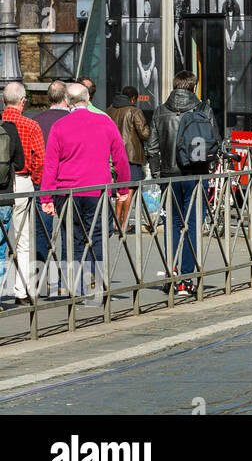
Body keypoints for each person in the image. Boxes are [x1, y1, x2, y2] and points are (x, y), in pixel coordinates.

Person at [40, 83, 129, 300]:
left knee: (72, 239)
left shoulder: (59, 127)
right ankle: (95, 285)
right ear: (88, 99)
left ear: (68, 102)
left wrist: (46, 197)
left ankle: (75, 287)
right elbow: (120, 158)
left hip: (67, 192)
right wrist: (123, 188)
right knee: (97, 238)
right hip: (96, 191)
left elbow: (50, 165)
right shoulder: (104, 123)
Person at [146, 70, 218, 295]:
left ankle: (172, 270)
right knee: (193, 225)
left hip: (169, 176)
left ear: (175, 87)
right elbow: (214, 142)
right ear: (193, 88)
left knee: (172, 224)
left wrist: (158, 175)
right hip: (196, 176)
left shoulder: (160, 111)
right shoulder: (203, 109)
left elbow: (152, 148)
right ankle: (188, 279)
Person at [0, 83, 38, 304]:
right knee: (23, 239)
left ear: (4, 101)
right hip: (22, 182)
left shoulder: (3, 123)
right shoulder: (30, 125)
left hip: (2, 186)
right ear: (22, 101)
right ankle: (21, 291)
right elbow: (38, 158)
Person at [107, 86, 150, 231]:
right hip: (131, 155)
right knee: (129, 189)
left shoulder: (109, 110)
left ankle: (117, 221)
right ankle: (124, 224)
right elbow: (144, 133)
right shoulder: (134, 111)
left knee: (120, 188)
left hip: (113, 154)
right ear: (133, 98)